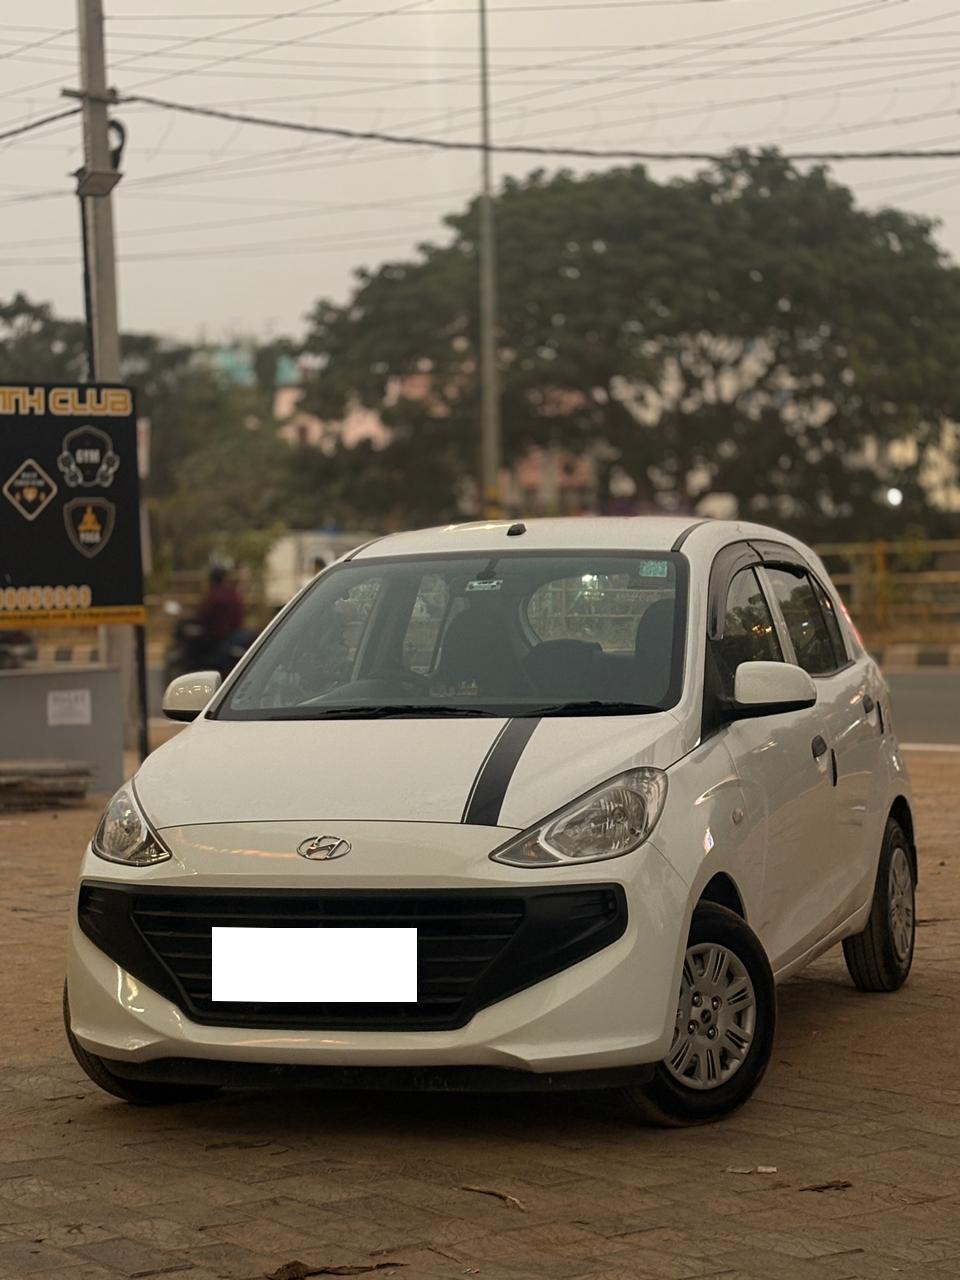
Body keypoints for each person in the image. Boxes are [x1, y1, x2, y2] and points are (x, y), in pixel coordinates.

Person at [196, 567, 245, 667]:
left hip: (219, 639)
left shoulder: (214, 595)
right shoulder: (232, 593)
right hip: (233, 633)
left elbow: (203, 615)